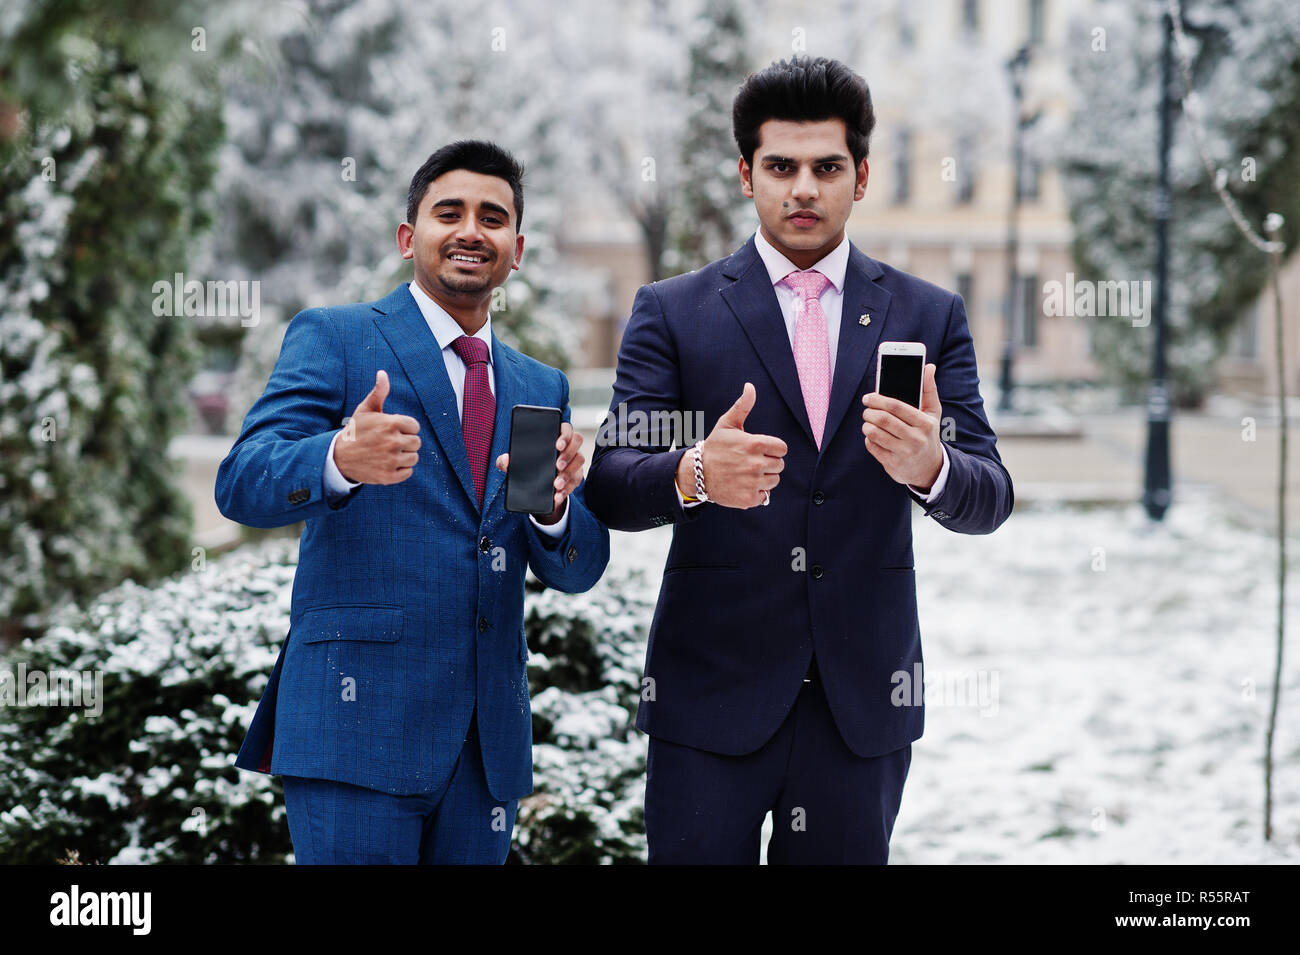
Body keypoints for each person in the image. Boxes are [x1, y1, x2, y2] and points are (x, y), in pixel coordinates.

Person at [584, 57, 1013, 864]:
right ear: (747, 175)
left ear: (862, 176)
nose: (804, 188)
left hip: (861, 705)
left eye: (827, 167)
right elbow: (610, 480)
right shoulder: (673, 312)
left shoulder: (929, 312)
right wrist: (696, 473)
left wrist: (932, 466)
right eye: (781, 167)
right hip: (709, 698)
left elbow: (990, 494)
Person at [216, 140, 609, 864]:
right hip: (354, 732)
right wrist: (338, 457)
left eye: (493, 218)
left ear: (515, 250)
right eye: (448, 212)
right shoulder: (336, 337)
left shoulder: (539, 385)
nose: (470, 230)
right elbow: (242, 479)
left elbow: (576, 567)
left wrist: (555, 509)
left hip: (485, 751)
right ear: (409, 238)